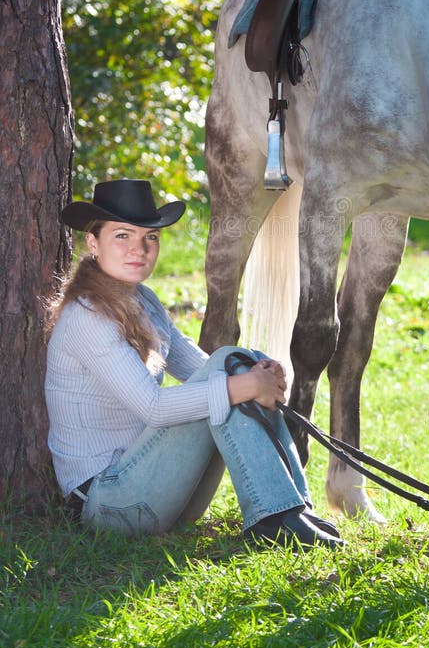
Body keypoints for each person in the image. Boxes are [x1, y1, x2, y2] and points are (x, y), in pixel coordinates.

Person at [45, 179, 342, 548]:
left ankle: (292, 509)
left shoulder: (143, 300)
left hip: (158, 492)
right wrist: (244, 383)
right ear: (93, 243)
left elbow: (203, 365)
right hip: (108, 505)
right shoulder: (87, 316)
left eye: (150, 237)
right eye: (122, 236)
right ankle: (276, 517)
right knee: (232, 373)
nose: (139, 248)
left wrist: (257, 371)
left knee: (238, 364)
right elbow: (154, 408)